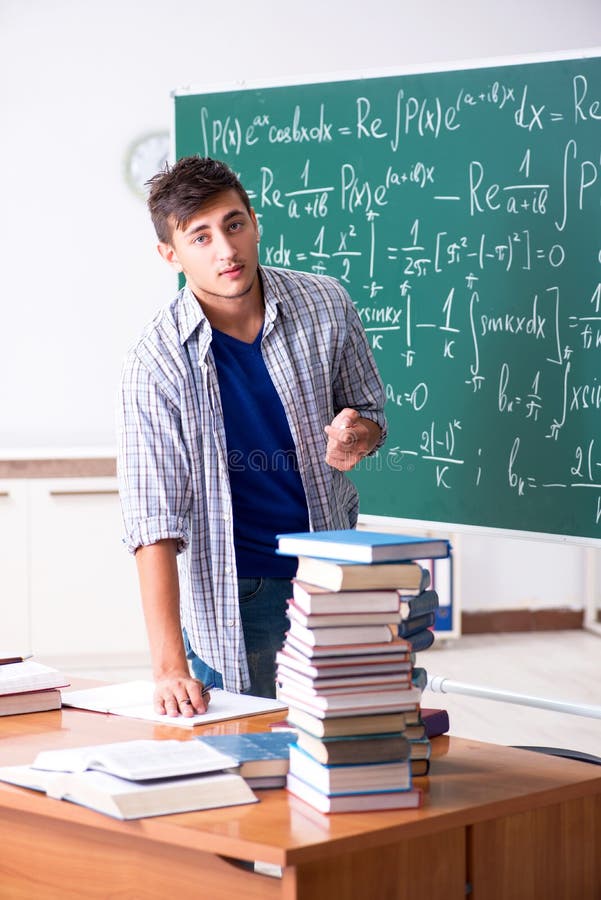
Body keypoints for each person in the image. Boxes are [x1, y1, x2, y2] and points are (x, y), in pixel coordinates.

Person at [117, 156, 386, 717]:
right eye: (200, 237)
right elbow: (153, 521)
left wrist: (356, 435)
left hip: (333, 572)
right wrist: (169, 668)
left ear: (255, 222)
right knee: (253, 752)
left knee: (352, 740)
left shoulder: (326, 304)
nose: (226, 250)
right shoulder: (155, 361)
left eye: (234, 224)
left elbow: (370, 416)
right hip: (239, 592)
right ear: (170, 255)